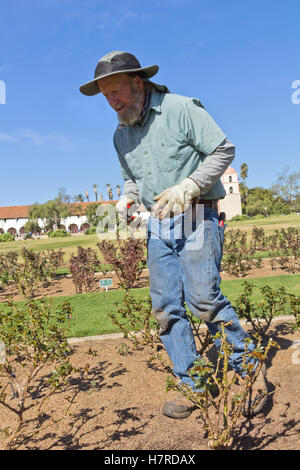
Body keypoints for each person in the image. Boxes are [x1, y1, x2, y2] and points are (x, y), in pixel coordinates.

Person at [80, 51, 267, 419]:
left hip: (196, 215)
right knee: (166, 308)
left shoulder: (181, 109)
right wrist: (128, 199)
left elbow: (223, 149)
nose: (112, 101)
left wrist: (190, 186)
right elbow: (133, 178)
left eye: (116, 91)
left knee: (203, 301)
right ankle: (194, 382)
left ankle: (249, 373)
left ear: (138, 83)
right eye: (105, 96)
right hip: (157, 225)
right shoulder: (121, 135)